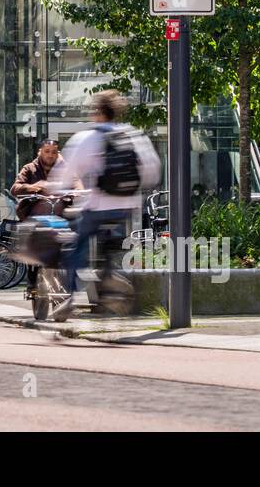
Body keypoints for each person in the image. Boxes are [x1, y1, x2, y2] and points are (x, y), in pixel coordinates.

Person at [48, 90, 161, 320]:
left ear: (98, 112)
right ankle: (110, 277)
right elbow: (152, 172)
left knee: (76, 247)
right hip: (126, 207)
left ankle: (71, 296)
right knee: (109, 247)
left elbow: (67, 173)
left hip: (97, 206)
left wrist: (55, 190)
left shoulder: (87, 138)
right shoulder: (132, 135)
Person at [11, 138, 67, 219]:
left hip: (60, 218)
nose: (50, 155)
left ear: (58, 154)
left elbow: (77, 186)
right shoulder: (29, 168)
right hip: (33, 219)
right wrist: (33, 187)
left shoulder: (64, 170)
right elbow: (14, 189)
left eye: (54, 152)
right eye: (47, 151)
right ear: (40, 152)